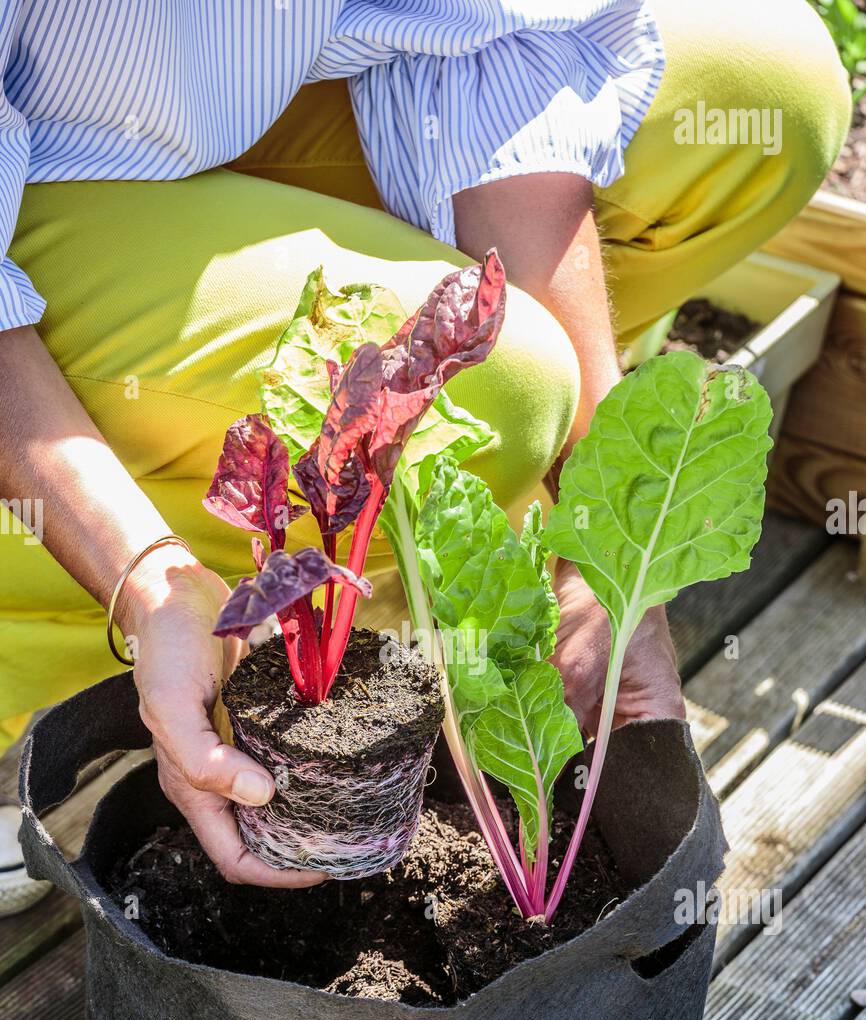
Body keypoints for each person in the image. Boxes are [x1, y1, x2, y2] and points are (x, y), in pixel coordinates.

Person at [0, 0, 850, 910]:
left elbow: (497, 36)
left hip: (201, 102)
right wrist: (144, 578)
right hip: (35, 183)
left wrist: (605, 542)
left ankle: (441, 555)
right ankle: (60, 674)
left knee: (764, 93)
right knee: (502, 389)